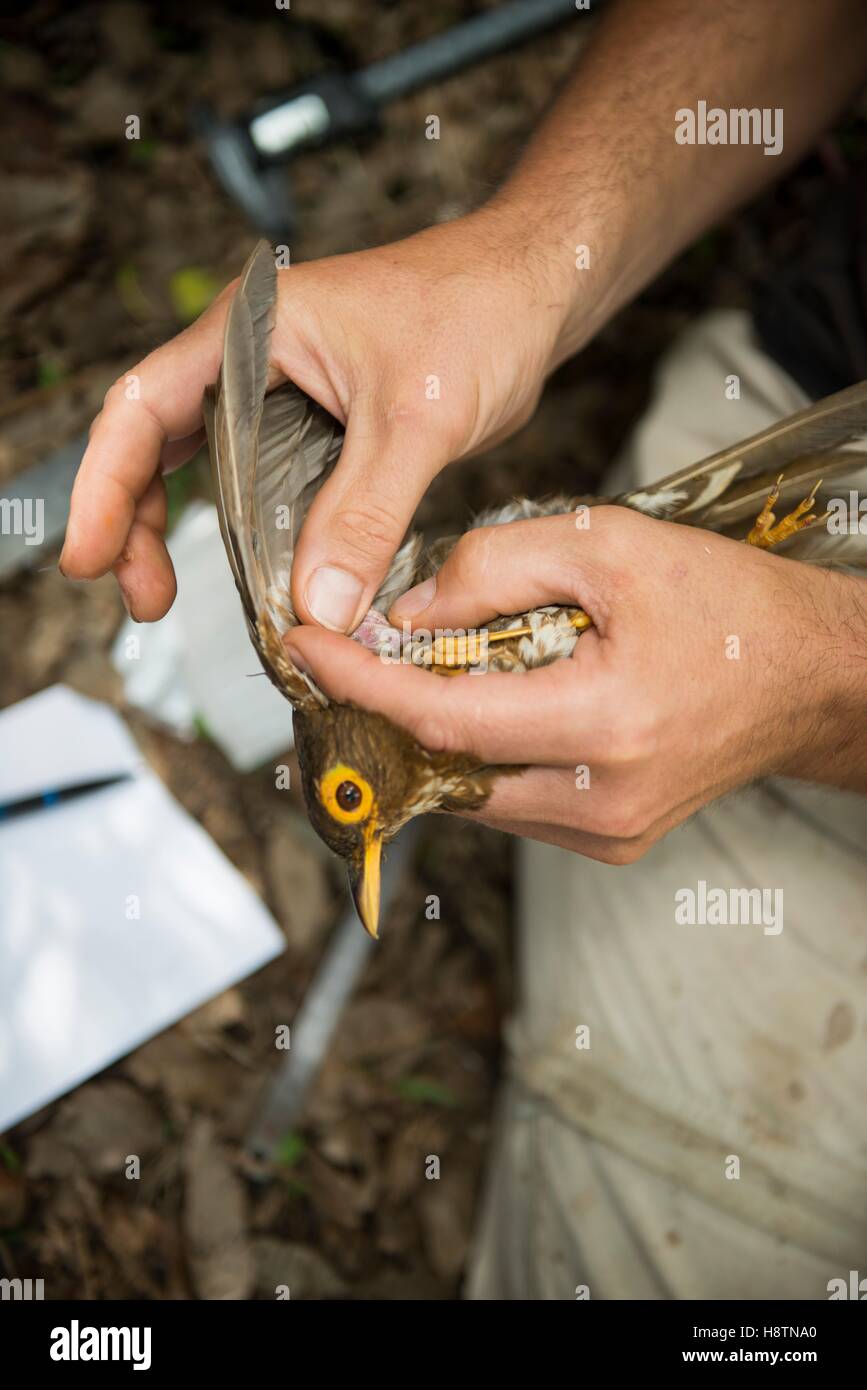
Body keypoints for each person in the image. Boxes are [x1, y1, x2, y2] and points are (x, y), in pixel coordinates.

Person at [61, 0, 867, 1298]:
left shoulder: (333, 653)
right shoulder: (383, 656)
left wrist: (824, 686)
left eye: (353, 802)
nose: (369, 826)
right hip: (803, 398)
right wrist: (524, 253)